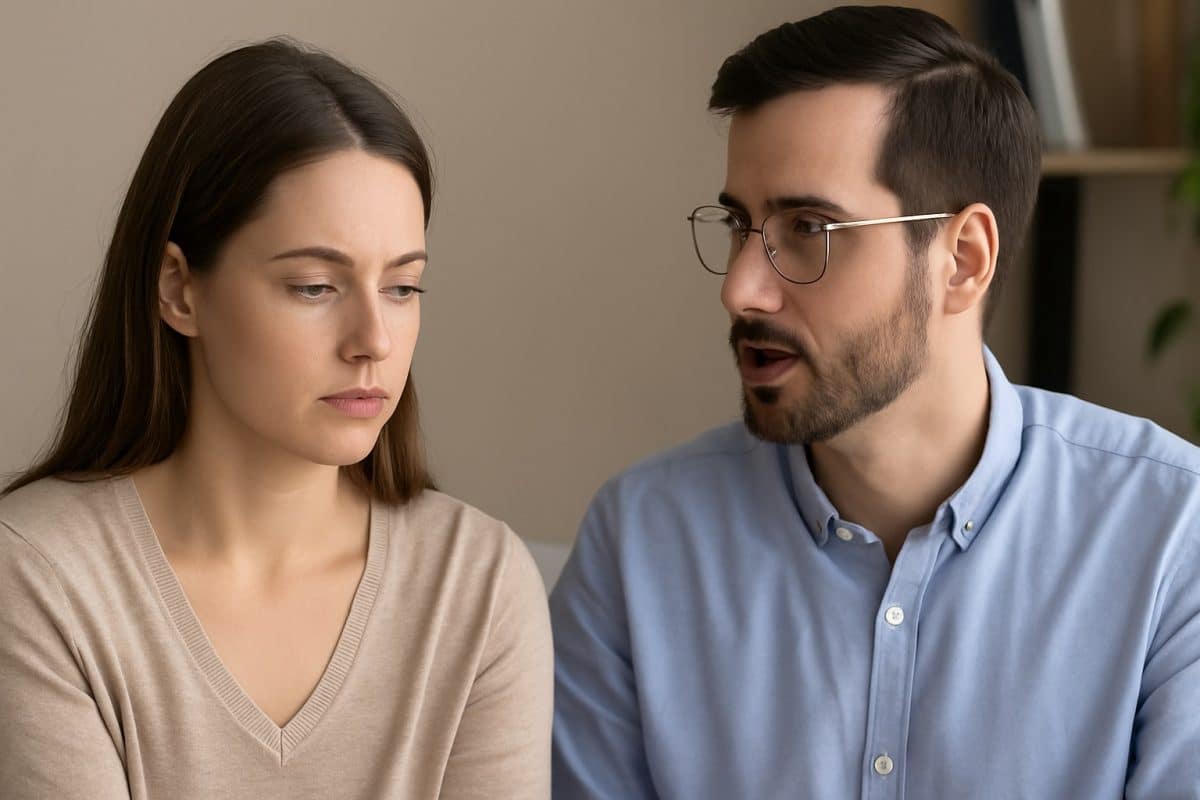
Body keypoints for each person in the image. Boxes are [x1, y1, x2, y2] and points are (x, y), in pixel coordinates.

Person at [550, 6, 1200, 798]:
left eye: (810, 228)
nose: (740, 289)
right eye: (738, 224)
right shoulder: (641, 542)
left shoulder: (1173, 535)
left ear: (962, 259)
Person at [0, 39, 551, 799]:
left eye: (402, 288)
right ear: (180, 290)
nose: (374, 342)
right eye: (316, 286)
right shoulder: (38, 576)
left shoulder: (479, 583)